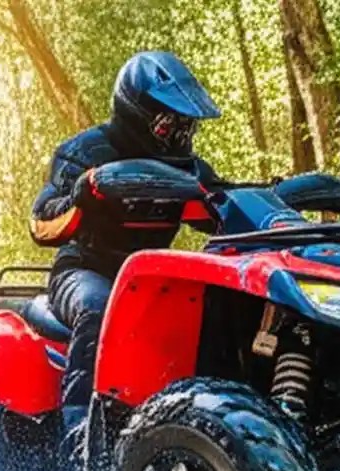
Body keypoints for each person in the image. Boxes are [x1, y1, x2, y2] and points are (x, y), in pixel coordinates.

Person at [28, 51, 222, 450]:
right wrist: (82, 197)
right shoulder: (86, 153)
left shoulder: (188, 169)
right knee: (101, 306)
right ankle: (78, 434)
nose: (179, 136)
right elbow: (41, 225)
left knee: (218, 305)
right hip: (83, 270)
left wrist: (274, 199)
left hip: (149, 279)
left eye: (186, 126)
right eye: (169, 124)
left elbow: (220, 207)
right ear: (137, 114)